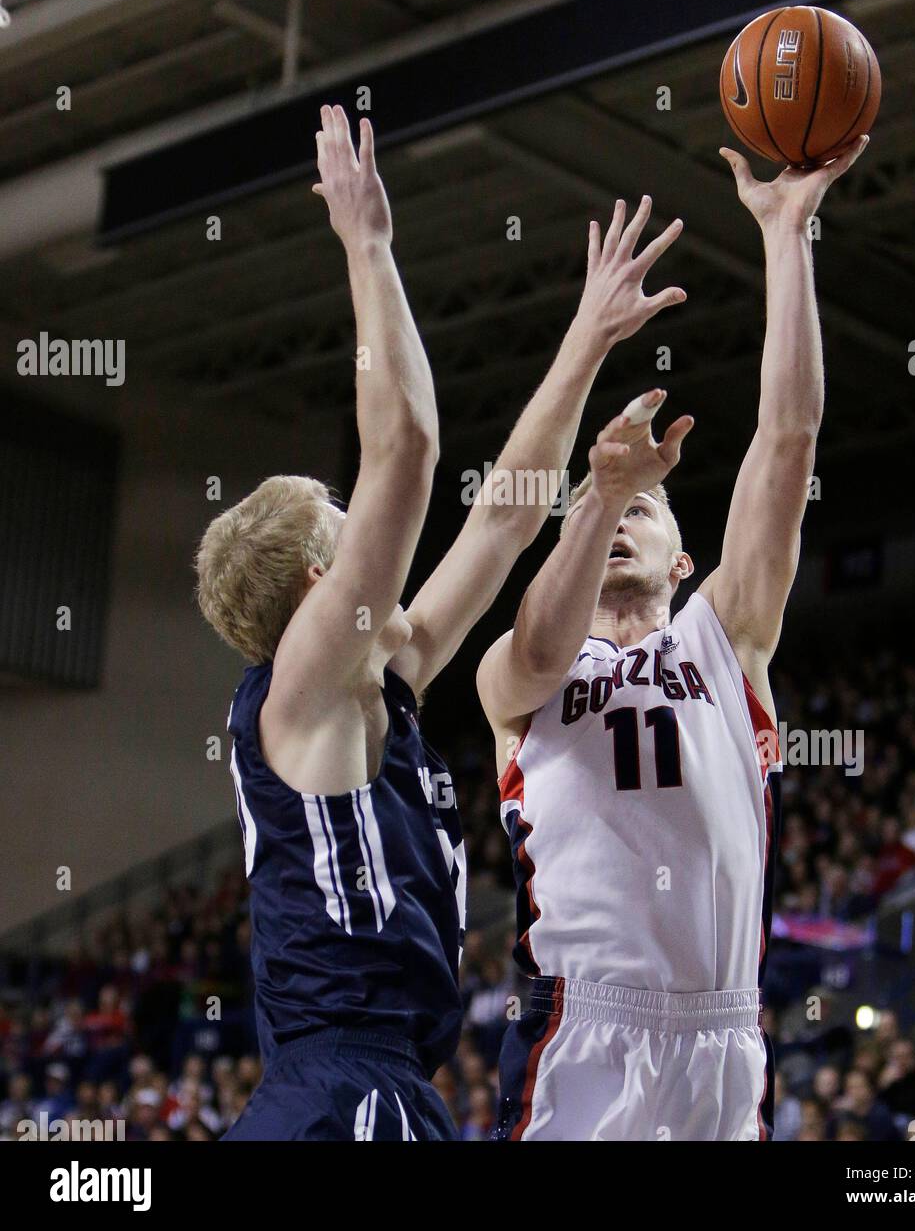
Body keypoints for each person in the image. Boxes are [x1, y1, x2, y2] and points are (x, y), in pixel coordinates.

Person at [195, 105, 686, 1140]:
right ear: (323, 577)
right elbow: (408, 448)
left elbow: (507, 515)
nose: (367, 522)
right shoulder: (307, 685)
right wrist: (367, 246)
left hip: (380, 1086)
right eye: (343, 516)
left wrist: (586, 338)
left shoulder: (385, 673)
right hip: (338, 1092)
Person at [478, 137, 869, 1141]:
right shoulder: (519, 672)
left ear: (684, 563)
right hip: (583, 1029)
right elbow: (530, 645)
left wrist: (787, 236)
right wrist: (600, 494)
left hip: (724, 1038)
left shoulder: (723, 637)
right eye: (593, 520)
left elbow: (786, 442)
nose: (612, 527)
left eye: (639, 515)